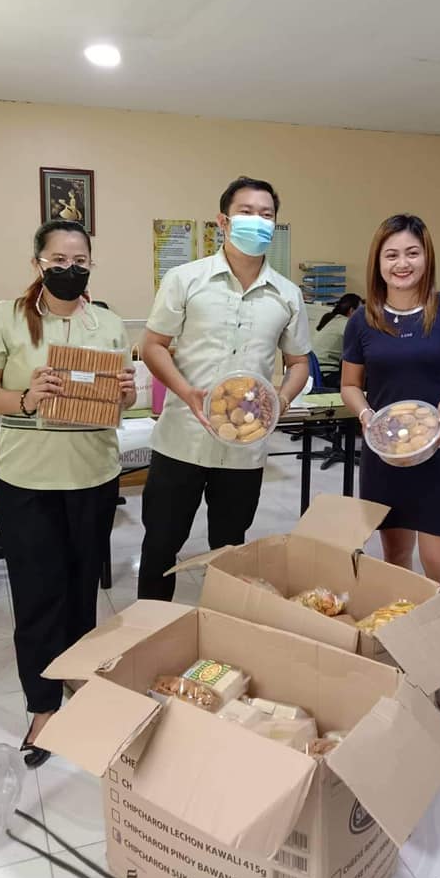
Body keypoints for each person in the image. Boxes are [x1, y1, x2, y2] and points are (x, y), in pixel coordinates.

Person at [0, 219, 136, 767]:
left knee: (82, 591)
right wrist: (26, 397)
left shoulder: (107, 324)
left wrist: (126, 394)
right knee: (39, 597)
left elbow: (115, 405)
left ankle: (78, 679)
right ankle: (42, 707)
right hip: (29, 482)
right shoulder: (7, 317)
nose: (69, 268)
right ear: (38, 262)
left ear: (91, 262)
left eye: (78, 259)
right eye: (57, 260)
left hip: (94, 477)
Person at [138, 176, 310, 601]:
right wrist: (187, 392)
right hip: (182, 438)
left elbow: (299, 362)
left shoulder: (287, 295)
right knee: (162, 542)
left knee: (230, 548)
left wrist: (281, 400)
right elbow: (153, 346)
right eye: (246, 212)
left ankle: (221, 630)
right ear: (223, 221)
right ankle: (150, 631)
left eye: (266, 215)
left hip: (244, 445)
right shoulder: (185, 279)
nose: (257, 221)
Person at [341, 213, 440, 716]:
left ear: (427, 257)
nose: (402, 263)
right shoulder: (363, 319)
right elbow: (350, 383)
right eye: (391, 254)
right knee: (395, 561)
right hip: (385, 457)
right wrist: (363, 414)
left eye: (412, 252)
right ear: (378, 262)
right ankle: (401, 656)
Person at [312, 293, 363, 387]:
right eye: (361, 311)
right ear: (351, 311)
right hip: (327, 375)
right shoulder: (347, 324)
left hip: (315, 372)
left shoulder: (331, 320)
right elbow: (362, 347)